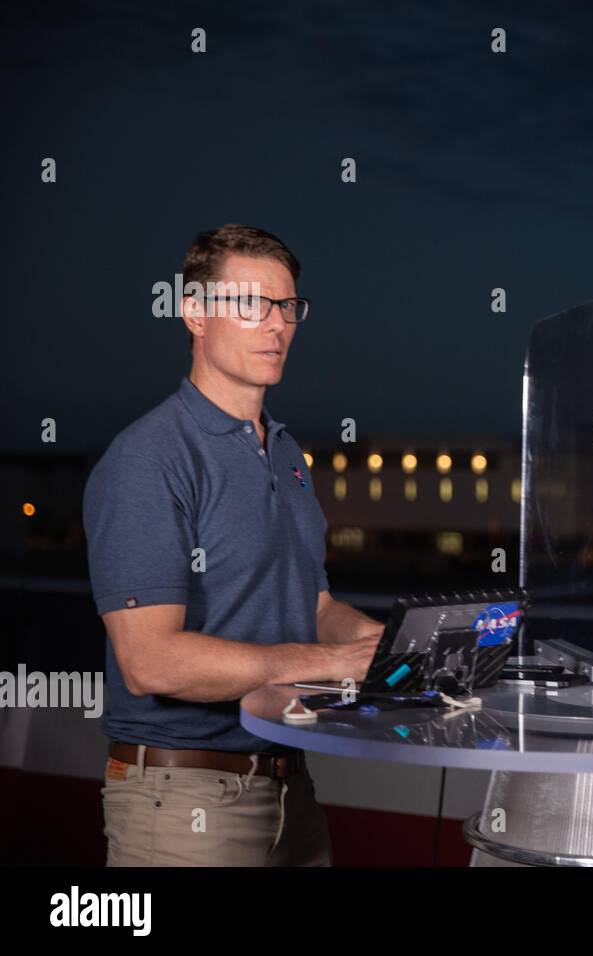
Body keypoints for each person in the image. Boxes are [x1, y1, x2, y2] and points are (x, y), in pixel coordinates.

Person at [83, 223, 381, 866]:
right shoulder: (149, 459)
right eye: (250, 303)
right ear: (194, 312)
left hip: (288, 787)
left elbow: (316, 602)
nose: (276, 325)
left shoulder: (285, 452)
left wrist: (379, 645)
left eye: (287, 306)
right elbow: (151, 663)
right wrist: (327, 665)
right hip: (183, 799)